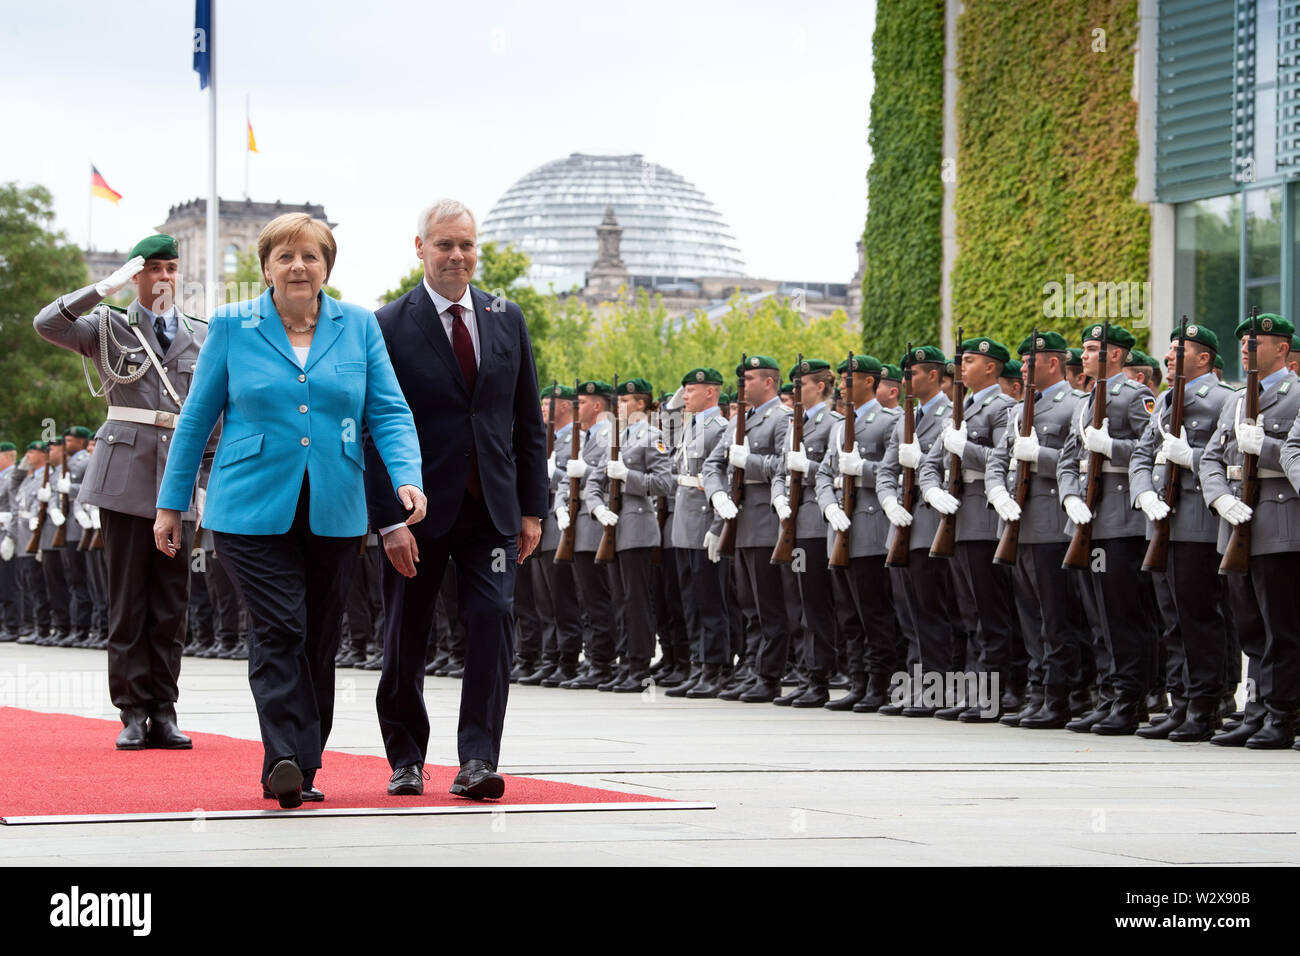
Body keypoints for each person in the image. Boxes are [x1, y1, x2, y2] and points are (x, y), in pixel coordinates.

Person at [156, 212, 425, 808]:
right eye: (285, 256)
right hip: (248, 504)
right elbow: (197, 418)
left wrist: (407, 479)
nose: (299, 266)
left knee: (319, 638)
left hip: (334, 504)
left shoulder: (357, 326)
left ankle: (304, 762)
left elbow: (389, 412)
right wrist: (171, 504)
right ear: (267, 267)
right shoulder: (232, 325)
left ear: (328, 266)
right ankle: (281, 755)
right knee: (282, 626)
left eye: (311, 256)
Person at [365, 199, 547, 801]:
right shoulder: (388, 324)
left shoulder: (505, 317)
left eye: (466, 245)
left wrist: (531, 508)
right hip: (417, 512)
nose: (457, 256)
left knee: (493, 621)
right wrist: (389, 518)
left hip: (490, 510)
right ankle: (406, 757)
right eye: (444, 245)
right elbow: (373, 428)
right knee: (405, 634)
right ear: (420, 248)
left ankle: (477, 759)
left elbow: (526, 421)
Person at [34, 234, 207, 749]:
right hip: (125, 475)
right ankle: (132, 709)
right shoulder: (106, 325)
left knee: (172, 597)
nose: (164, 277)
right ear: (136, 275)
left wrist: (203, 478)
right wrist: (98, 289)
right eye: (153, 268)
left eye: (171, 268)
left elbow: (213, 412)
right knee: (128, 595)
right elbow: (48, 324)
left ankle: (165, 706)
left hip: (178, 477)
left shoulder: (201, 335)